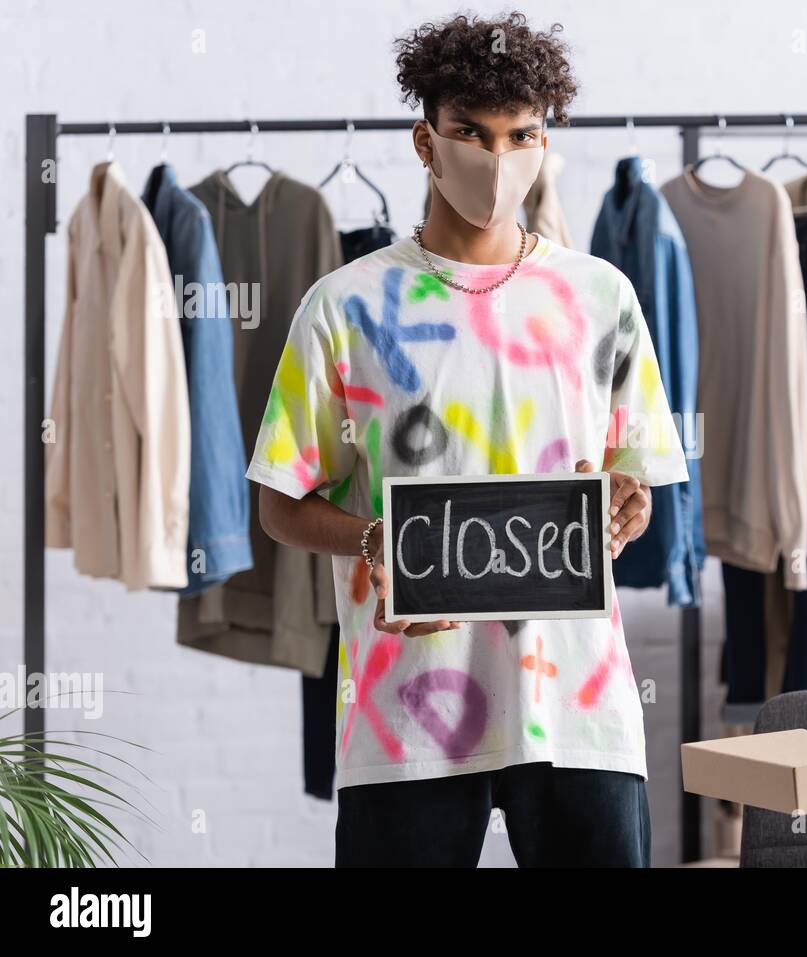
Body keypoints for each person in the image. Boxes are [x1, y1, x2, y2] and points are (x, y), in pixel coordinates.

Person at [248, 11, 689, 867]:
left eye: (521, 134)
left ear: (544, 138)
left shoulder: (601, 297)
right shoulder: (344, 305)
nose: (497, 159)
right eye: (470, 134)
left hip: (578, 707)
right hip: (404, 711)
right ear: (426, 140)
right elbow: (277, 504)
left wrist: (627, 510)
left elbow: (634, 484)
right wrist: (375, 537)